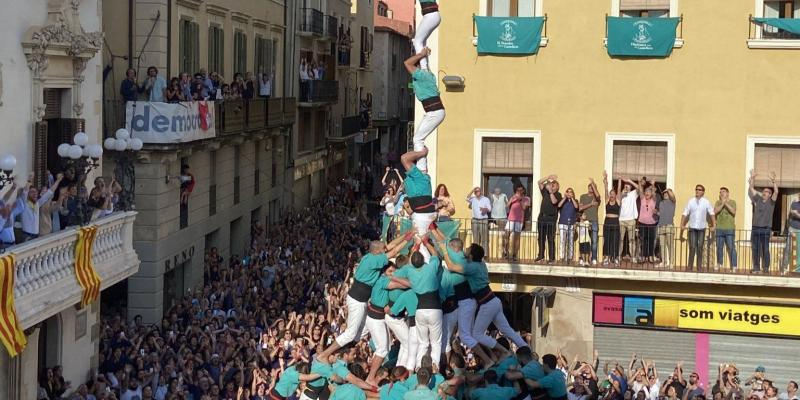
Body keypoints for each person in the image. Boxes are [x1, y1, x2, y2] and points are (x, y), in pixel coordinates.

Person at [405, 48, 445, 173]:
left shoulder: (422, 75)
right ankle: (422, 164)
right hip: (433, 111)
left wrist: (421, 54)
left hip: (434, 112)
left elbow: (407, 63)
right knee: (417, 138)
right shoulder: (427, 75)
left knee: (417, 139)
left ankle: (422, 167)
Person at [401, 148, 437, 243]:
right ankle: (423, 152)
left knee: (406, 159)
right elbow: (405, 158)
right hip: (421, 192)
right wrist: (422, 153)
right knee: (404, 158)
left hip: (416, 198)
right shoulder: (420, 176)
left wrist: (406, 207)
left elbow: (410, 212)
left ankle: (421, 152)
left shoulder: (412, 175)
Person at [680, 184, 716, 271]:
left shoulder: (706, 202)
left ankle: (699, 267)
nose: (697, 191)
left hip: (702, 228)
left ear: (703, 192)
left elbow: (712, 213)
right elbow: (685, 213)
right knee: (692, 247)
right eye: (696, 189)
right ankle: (690, 266)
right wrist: (682, 225)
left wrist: (714, 225)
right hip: (692, 228)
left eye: (699, 190)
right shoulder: (691, 201)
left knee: (700, 247)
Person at [748, 170, 778, 274]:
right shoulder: (758, 199)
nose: (764, 193)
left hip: (766, 229)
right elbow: (752, 189)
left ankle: (766, 268)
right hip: (755, 228)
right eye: (764, 191)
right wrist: (752, 178)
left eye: (766, 192)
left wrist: (773, 181)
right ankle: (756, 268)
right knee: (755, 249)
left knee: (765, 249)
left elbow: (776, 192)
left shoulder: (771, 202)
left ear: (769, 195)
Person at [16, 173, 61, 242]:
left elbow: (49, 192)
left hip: (36, 236)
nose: (35, 194)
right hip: (27, 236)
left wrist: (58, 181)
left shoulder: (37, 203)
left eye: (36, 192)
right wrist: (29, 180)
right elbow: (24, 192)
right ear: (28, 194)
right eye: (32, 192)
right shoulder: (24, 203)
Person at [535, 175, 562, 263]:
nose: (552, 186)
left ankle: (551, 258)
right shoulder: (545, 192)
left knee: (550, 239)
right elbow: (539, 182)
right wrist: (548, 177)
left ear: (557, 188)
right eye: (552, 185)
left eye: (554, 185)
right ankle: (541, 256)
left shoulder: (558, 195)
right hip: (542, 218)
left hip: (551, 220)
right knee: (541, 238)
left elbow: (554, 202)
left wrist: (551, 192)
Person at [714, 187, 738, 271]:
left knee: (731, 247)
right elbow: (715, 211)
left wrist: (725, 203)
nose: (721, 193)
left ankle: (734, 265)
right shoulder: (717, 202)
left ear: (728, 193)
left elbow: (733, 211)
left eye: (723, 192)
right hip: (719, 228)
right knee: (719, 247)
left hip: (729, 228)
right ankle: (719, 263)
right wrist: (722, 203)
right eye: (720, 192)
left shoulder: (732, 202)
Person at [413, 0, 441, 70]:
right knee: (422, 42)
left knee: (417, 41)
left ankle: (424, 69)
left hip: (430, 15)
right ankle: (426, 67)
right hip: (432, 15)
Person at [578, 179, 601, 265]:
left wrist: (593, 184)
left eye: (593, 187)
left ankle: (594, 258)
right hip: (584, 221)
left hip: (594, 221)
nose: (591, 188)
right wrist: (590, 204)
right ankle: (582, 257)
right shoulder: (583, 196)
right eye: (590, 186)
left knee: (594, 241)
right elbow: (580, 208)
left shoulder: (597, 198)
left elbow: (598, 195)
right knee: (583, 241)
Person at [504, 186, 530, 262]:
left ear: (523, 191)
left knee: (516, 238)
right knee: (506, 235)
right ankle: (506, 251)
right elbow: (507, 206)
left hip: (519, 220)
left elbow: (524, 208)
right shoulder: (513, 197)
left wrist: (520, 200)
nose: (519, 191)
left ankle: (515, 254)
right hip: (510, 219)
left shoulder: (527, 198)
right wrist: (512, 199)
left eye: (521, 190)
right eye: (518, 190)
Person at [617, 177, 640, 263]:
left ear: (631, 187)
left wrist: (629, 180)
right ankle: (618, 256)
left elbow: (639, 188)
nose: (627, 186)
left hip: (631, 220)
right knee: (620, 239)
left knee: (632, 239)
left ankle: (633, 257)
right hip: (621, 220)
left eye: (628, 185)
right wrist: (622, 194)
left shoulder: (633, 193)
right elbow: (617, 200)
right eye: (625, 185)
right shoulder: (621, 194)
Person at [602, 172, 621, 266]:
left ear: (615, 195)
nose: (611, 195)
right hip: (607, 222)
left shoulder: (618, 201)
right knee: (607, 240)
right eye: (610, 194)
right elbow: (605, 190)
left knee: (615, 240)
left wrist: (619, 180)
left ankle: (615, 258)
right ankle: (606, 258)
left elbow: (619, 190)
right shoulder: (607, 201)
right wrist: (605, 180)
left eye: (613, 194)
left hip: (615, 222)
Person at [465, 187, 491, 253]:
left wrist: (485, 209)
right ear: (474, 192)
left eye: (478, 191)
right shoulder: (473, 199)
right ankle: (476, 254)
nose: (477, 192)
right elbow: (467, 198)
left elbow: (489, 209)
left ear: (481, 191)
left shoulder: (486, 199)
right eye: (476, 191)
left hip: (483, 220)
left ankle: (484, 254)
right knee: (475, 239)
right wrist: (472, 190)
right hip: (475, 220)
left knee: (484, 239)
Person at [638, 185, 658, 264]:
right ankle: (643, 256)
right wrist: (639, 183)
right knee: (643, 240)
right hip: (642, 222)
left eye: (648, 192)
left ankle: (650, 256)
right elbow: (640, 190)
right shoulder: (642, 199)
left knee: (651, 240)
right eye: (646, 192)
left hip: (651, 223)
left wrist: (653, 184)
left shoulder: (653, 200)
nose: (647, 193)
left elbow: (654, 192)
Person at [557, 188, 579, 263]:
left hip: (571, 224)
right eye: (568, 192)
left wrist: (572, 198)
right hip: (562, 223)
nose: (569, 193)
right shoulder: (563, 200)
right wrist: (565, 197)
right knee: (562, 241)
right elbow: (559, 205)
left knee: (570, 241)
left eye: (571, 192)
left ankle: (570, 257)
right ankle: (561, 257)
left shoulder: (575, 201)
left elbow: (576, 207)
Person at [656, 189, 677, 269]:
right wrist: (656, 213)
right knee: (662, 245)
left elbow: (673, 196)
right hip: (661, 225)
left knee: (670, 245)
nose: (665, 194)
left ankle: (671, 262)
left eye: (666, 193)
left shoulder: (672, 202)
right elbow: (661, 214)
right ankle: (664, 262)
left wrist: (668, 190)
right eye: (664, 193)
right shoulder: (661, 203)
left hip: (669, 226)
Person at [783, 195, 800, 273]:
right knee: (788, 249)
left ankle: (798, 269)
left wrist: (797, 214)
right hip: (792, 229)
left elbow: (796, 215)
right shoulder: (794, 203)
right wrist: (789, 225)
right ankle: (784, 268)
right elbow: (790, 215)